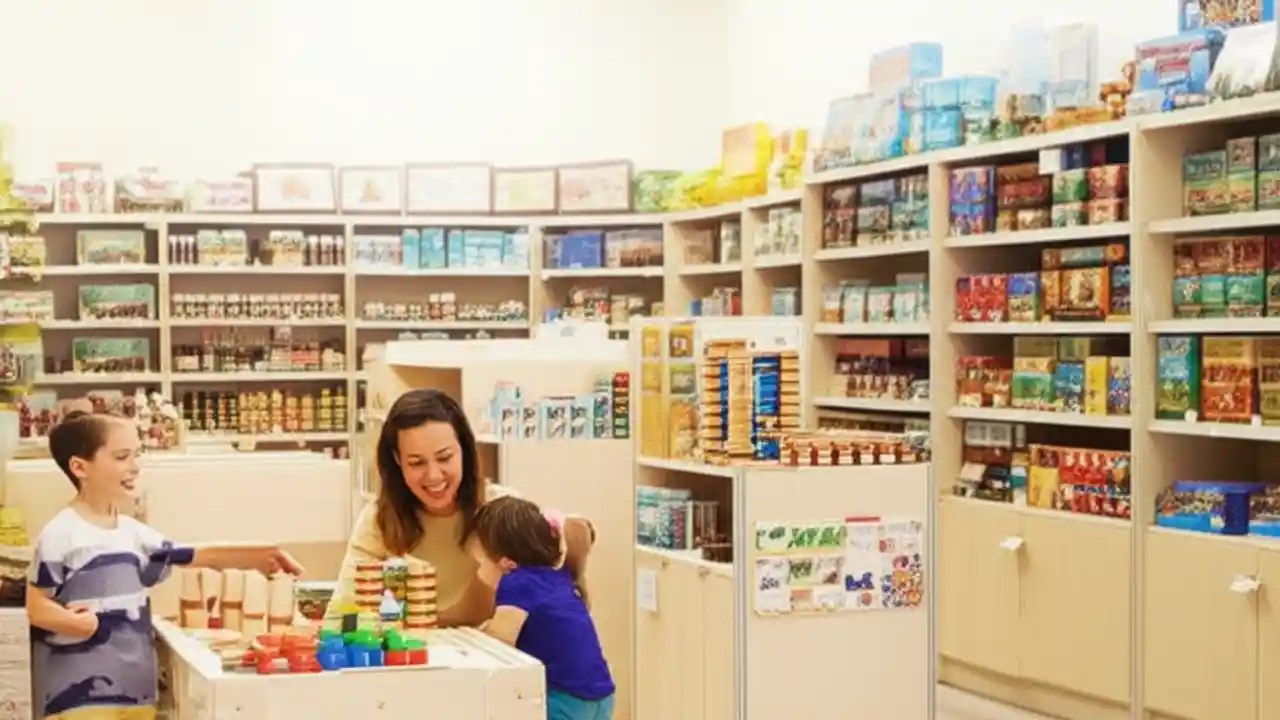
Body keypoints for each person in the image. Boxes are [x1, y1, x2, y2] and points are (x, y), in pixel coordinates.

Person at [26, 411, 304, 720]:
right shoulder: (61, 534)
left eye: (136, 455)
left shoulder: (132, 533)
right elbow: (37, 606)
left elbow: (197, 555)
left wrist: (265, 555)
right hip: (78, 698)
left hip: (136, 692)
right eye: (121, 456)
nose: (134, 466)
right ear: (79, 467)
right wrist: (78, 624)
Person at [332, 388, 595, 627]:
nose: (433, 476)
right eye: (416, 463)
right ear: (396, 460)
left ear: (465, 451)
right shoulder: (379, 522)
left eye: (445, 457)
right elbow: (341, 616)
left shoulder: (501, 512)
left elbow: (556, 596)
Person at [468, 496, 614, 720]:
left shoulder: (517, 582)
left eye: (479, 563)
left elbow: (500, 643)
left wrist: (477, 637)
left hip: (564, 699)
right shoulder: (557, 577)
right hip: (601, 697)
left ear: (506, 563)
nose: (477, 572)